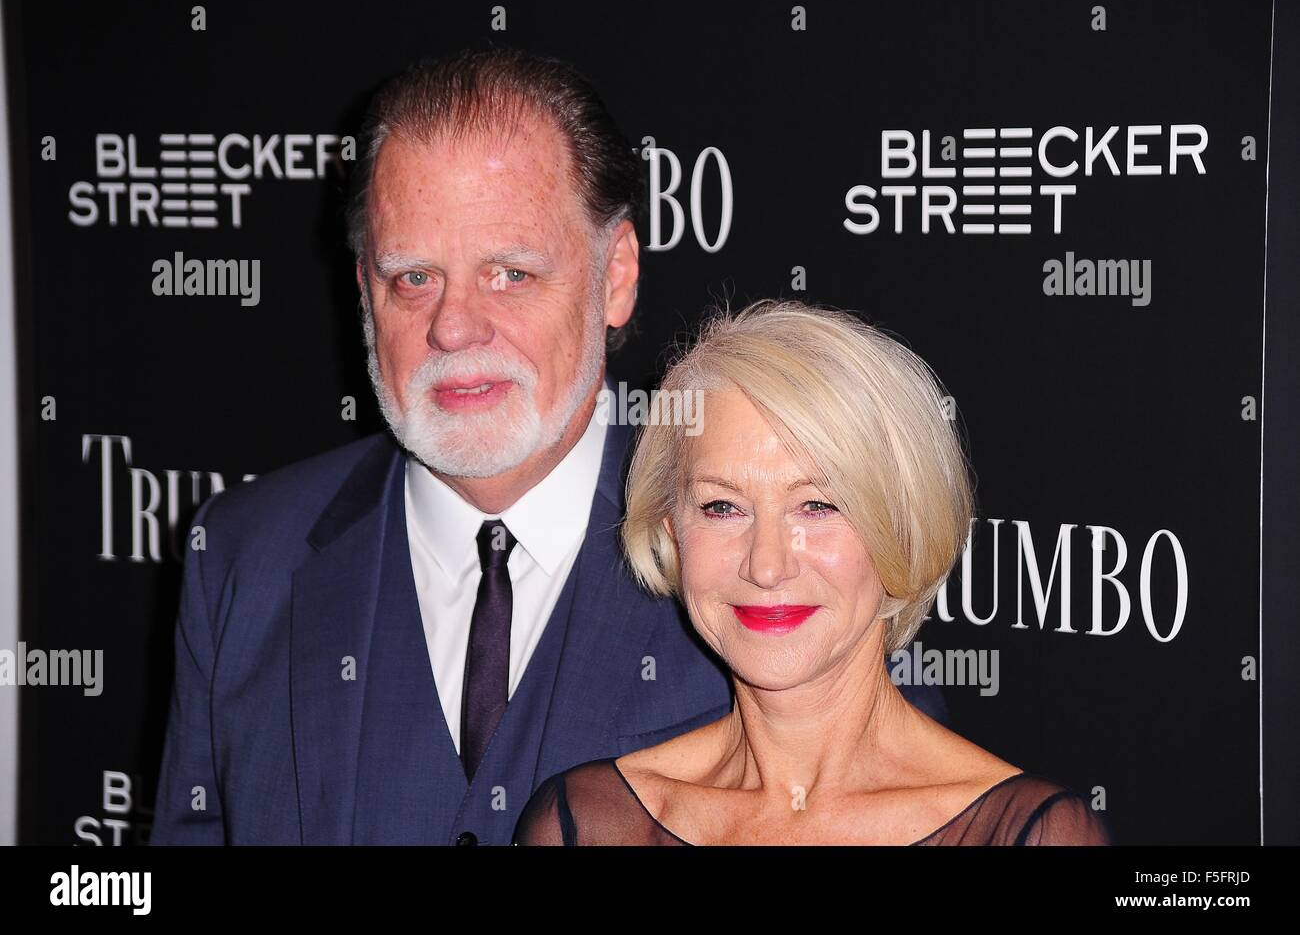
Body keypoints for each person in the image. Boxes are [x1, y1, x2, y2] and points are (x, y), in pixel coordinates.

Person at [149, 47, 947, 846]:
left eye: (511, 274)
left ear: (617, 275)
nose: (454, 326)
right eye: (413, 278)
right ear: (363, 290)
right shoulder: (245, 557)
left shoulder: (767, 558)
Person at [514, 300, 1113, 845]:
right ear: (673, 534)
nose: (767, 565)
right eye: (723, 508)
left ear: (899, 532)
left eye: (818, 506)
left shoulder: (1026, 835)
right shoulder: (586, 824)